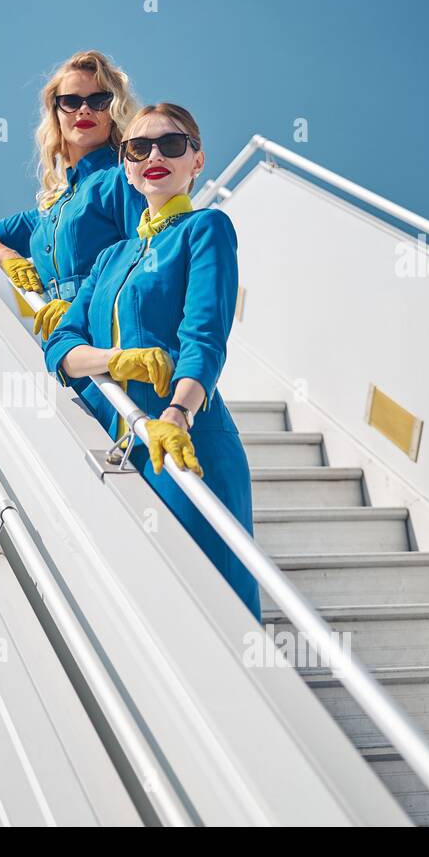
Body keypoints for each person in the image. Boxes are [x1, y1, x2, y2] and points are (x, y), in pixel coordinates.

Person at [42, 103, 260, 621]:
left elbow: (203, 334)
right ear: (126, 165)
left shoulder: (206, 229)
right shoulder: (109, 257)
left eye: (172, 144)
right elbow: (61, 346)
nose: (155, 156)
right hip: (117, 447)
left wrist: (178, 413)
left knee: (209, 611)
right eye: (139, 148)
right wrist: (117, 359)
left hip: (182, 444)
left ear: (197, 160)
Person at [0, 50, 146, 339]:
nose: (84, 110)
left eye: (98, 100)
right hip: (69, 346)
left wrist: (81, 308)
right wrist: (8, 257)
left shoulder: (124, 177)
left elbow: (146, 260)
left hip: (121, 338)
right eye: (71, 101)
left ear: (113, 112)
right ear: (56, 114)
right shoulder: (51, 210)